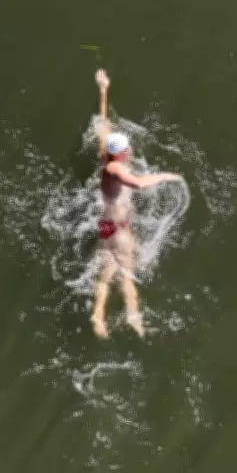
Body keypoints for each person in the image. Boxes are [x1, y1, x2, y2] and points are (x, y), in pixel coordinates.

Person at [90, 68, 182, 339]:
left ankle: (98, 315)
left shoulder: (104, 155)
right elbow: (139, 184)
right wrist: (165, 176)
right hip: (119, 228)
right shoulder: (116, 169)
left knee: (107, 269)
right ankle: (134, 319)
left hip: (107, 223)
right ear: (120, 153)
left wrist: (103, 89)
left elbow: (103, 123)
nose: (129, 150)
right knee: (127, 274)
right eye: (126, 148)